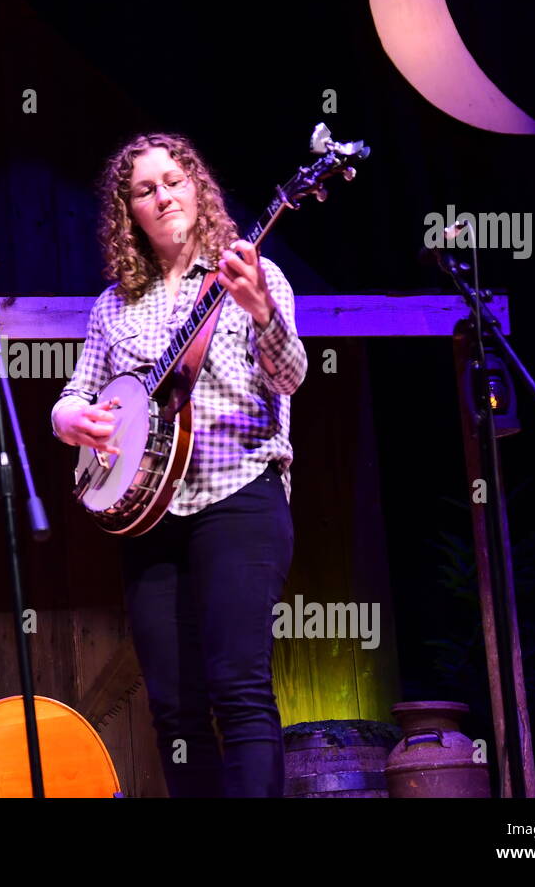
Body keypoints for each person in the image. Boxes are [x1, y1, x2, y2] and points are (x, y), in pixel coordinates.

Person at [51, 132, 307, 797]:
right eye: (145, 189)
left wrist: (263, 314)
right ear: (127, 211)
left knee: (239, 690)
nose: (163, 196)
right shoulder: (113, 305)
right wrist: (67, 419)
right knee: (173, 707)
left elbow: (289, 377)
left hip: (239, 492)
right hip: (149, 517)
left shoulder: (251, 275)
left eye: (173, 180)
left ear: (196, 188)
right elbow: (77, 395)